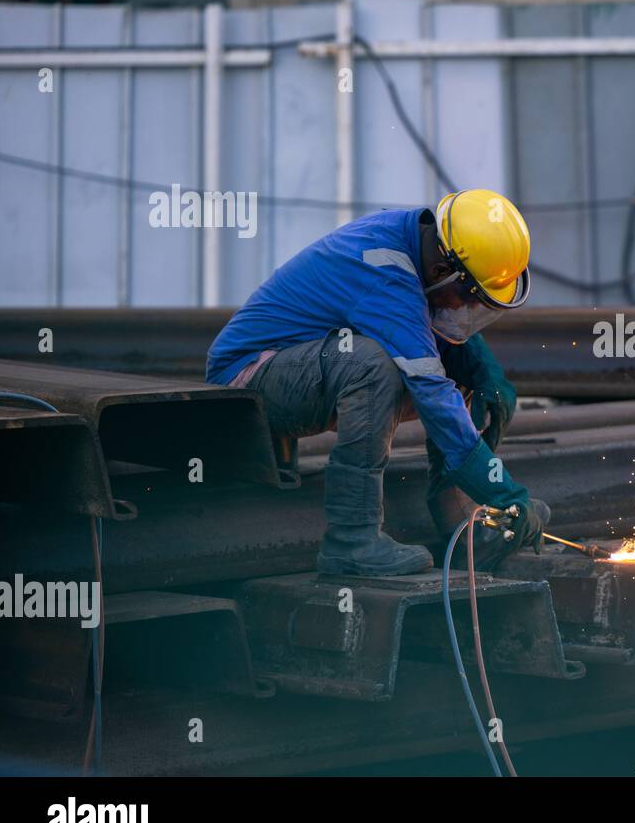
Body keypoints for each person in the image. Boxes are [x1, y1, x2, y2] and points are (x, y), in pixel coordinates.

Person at [206, 190, 547, 576]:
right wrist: (504, 491)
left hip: (301, 368)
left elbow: (438, 356)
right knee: (373, 366)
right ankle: (351, 542)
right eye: (466, 298)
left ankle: (464, 528)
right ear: (441, 272)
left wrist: (481, 368)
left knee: (457, 369)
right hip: (248, 382)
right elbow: (430, 390)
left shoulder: (419, 246)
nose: (463, 310)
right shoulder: (385, 269)